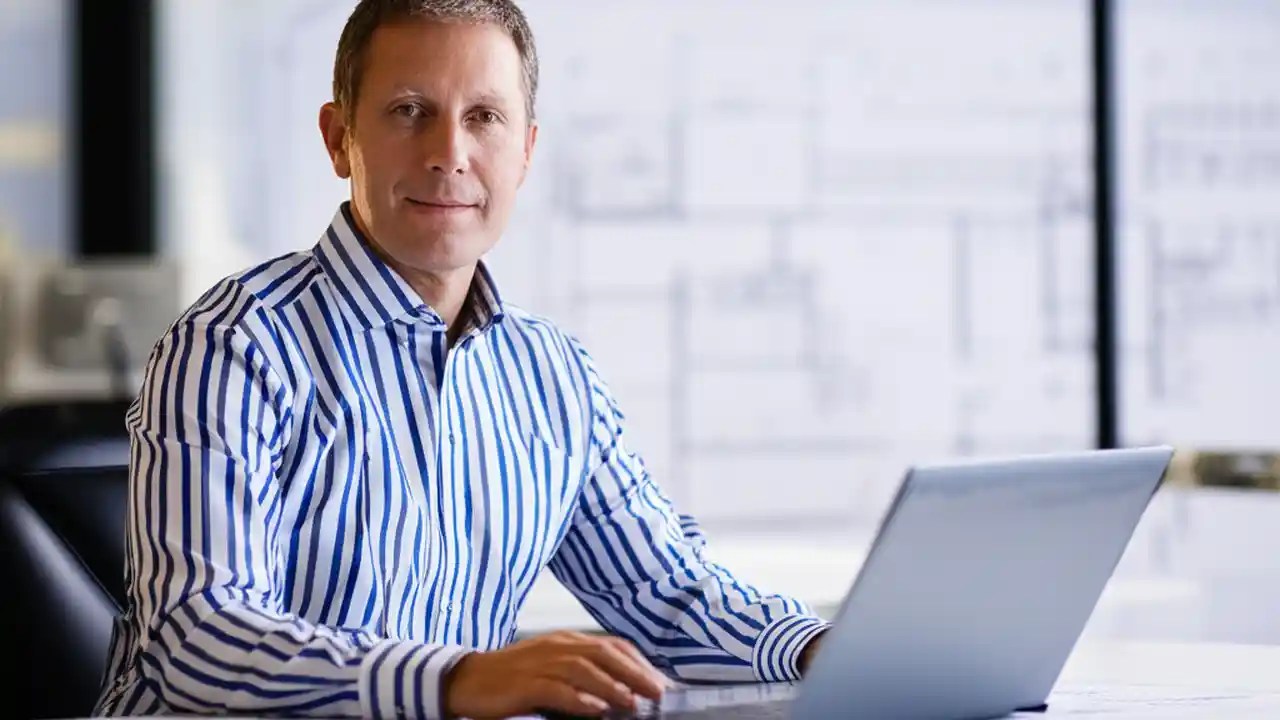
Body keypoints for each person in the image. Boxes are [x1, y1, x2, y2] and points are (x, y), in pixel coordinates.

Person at [95, 1, 828, 718]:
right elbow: (198, 638)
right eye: (410, 110)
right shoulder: (234, 345)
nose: (449, 152)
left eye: (484, 117)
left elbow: (668, 597)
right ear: (338, 136)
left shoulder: (552, 376)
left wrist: (829, 650)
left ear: (526, 151)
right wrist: (456, 681)